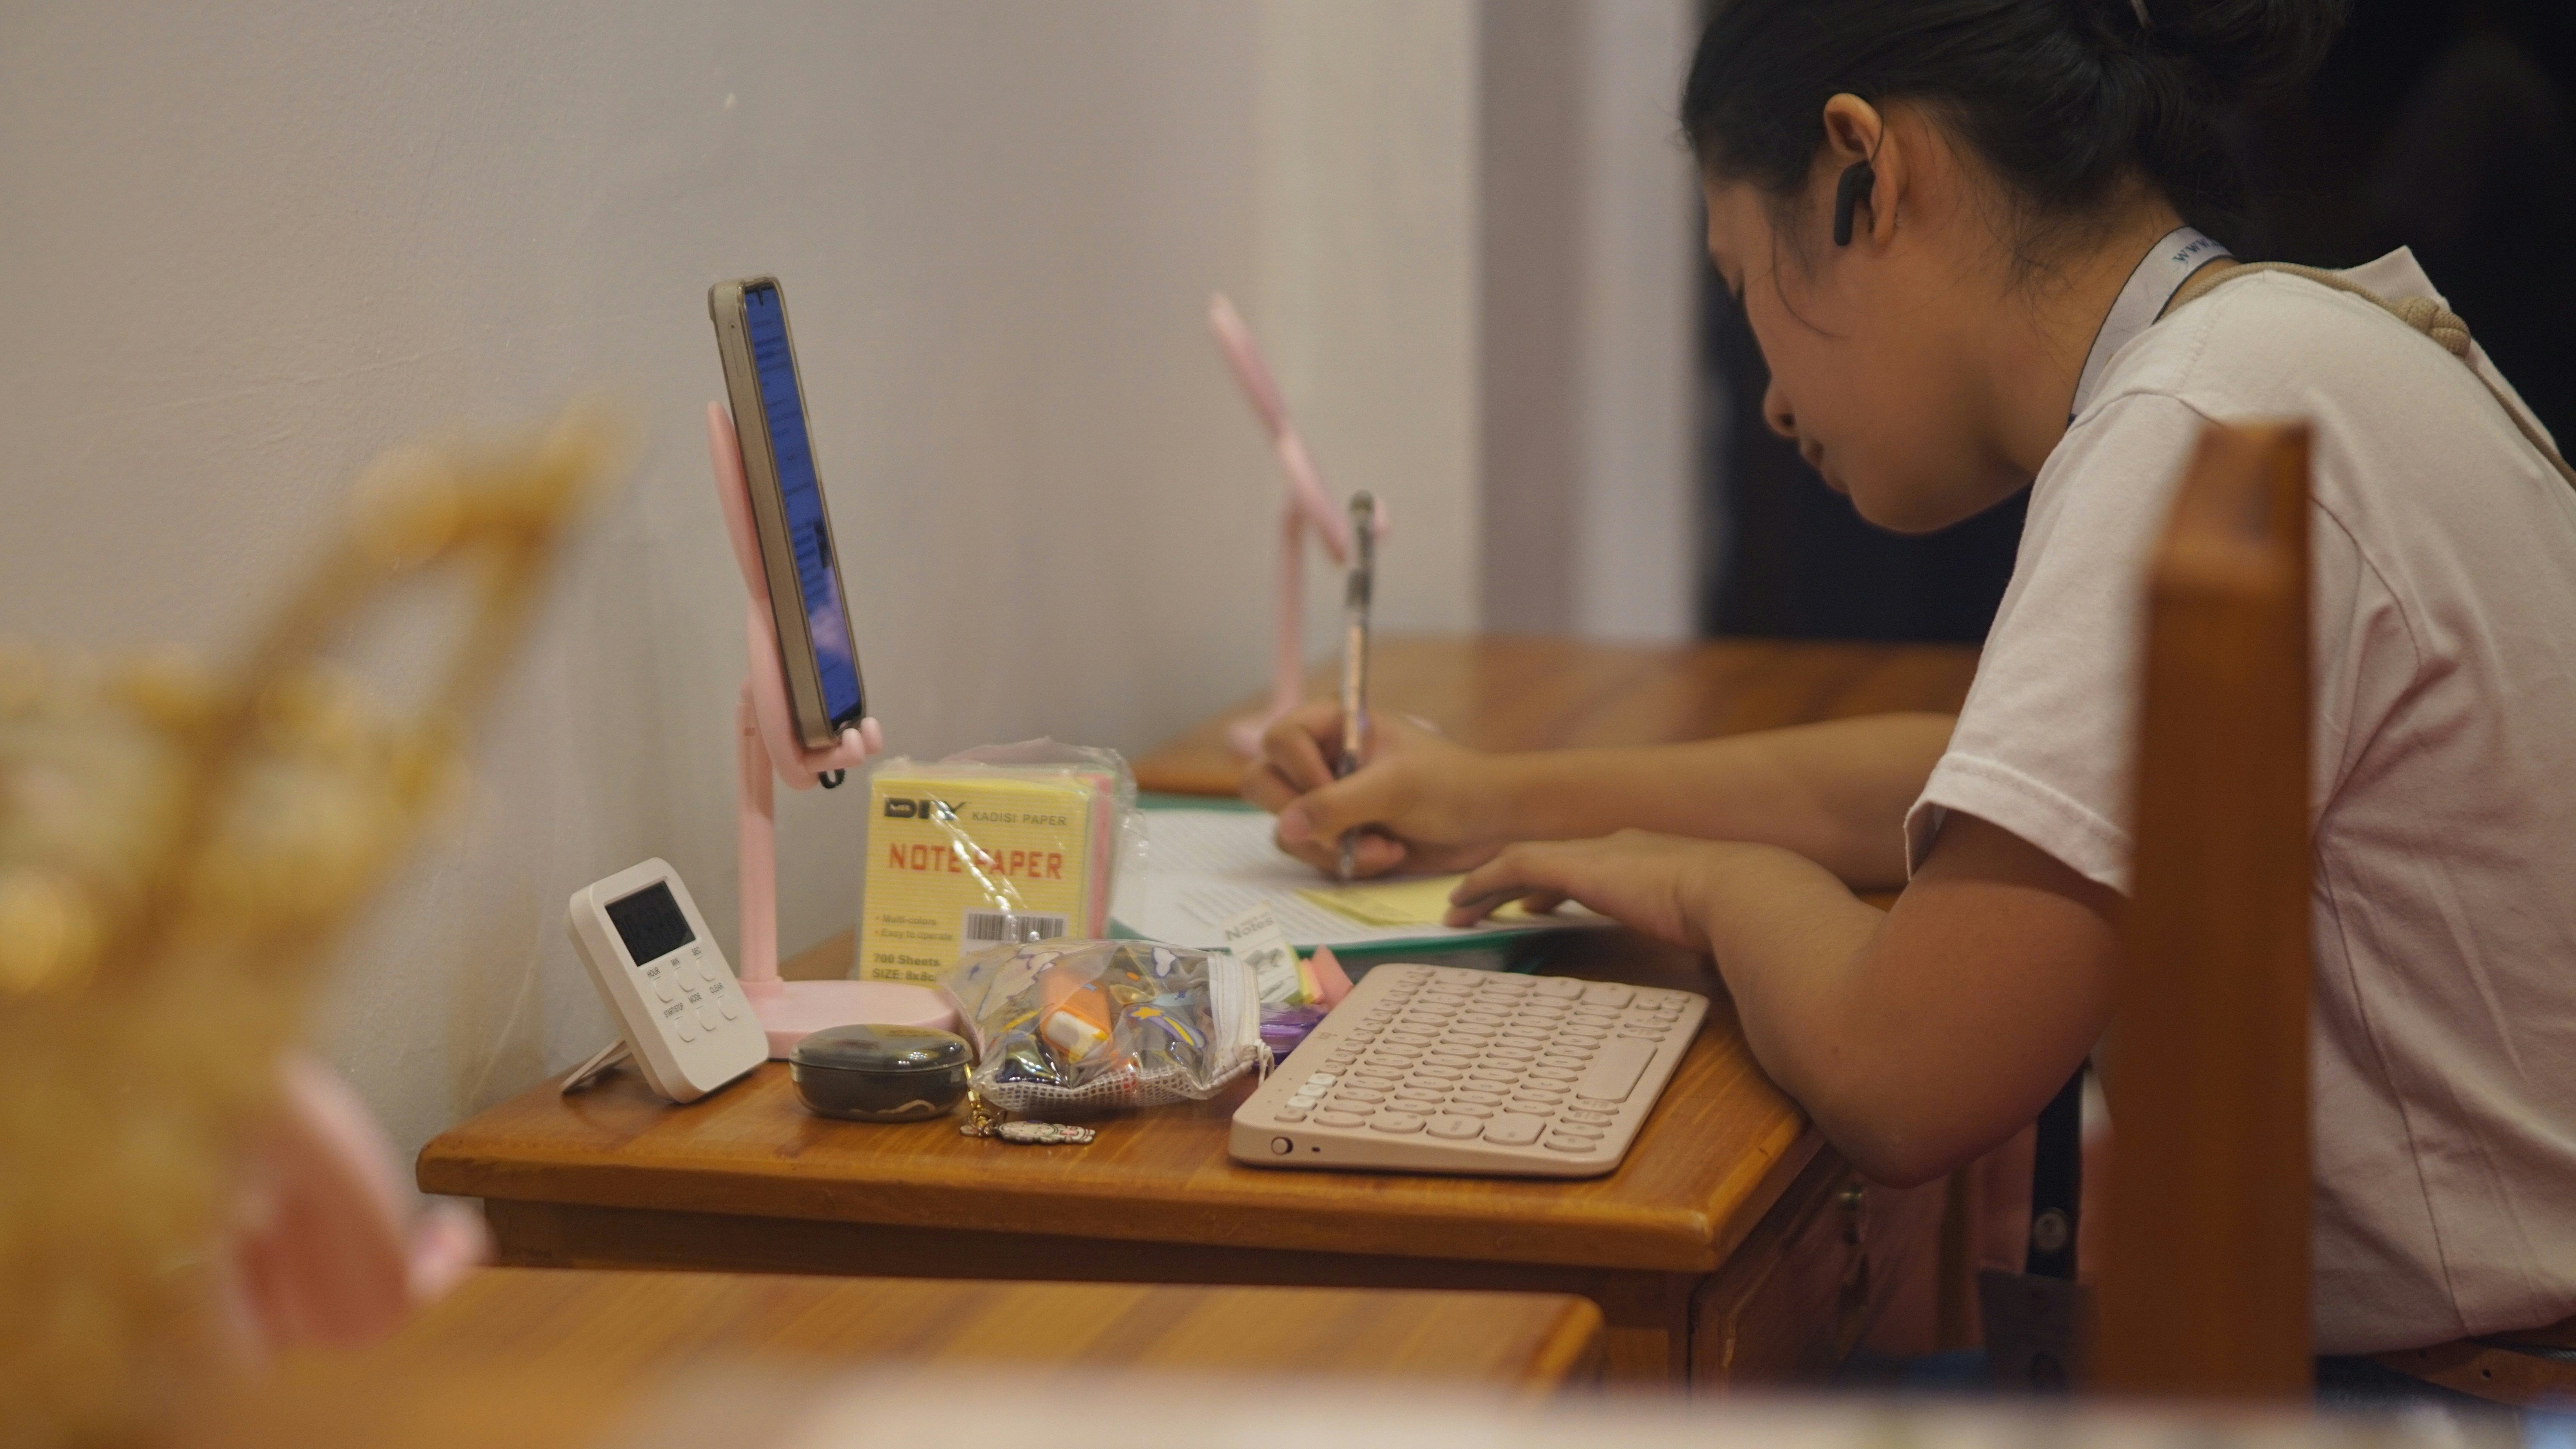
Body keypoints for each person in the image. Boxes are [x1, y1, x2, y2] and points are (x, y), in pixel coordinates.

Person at [1245, 0, 2576, 1359]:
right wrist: (1492, 798)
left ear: (1866, 173)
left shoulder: (2186, 423)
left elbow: (1898, 1077)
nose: (1771, 400)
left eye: (1743, 285)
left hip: (2478, 1391)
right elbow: (1982, 786)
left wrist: (1716, 888)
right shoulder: (2276, 350)